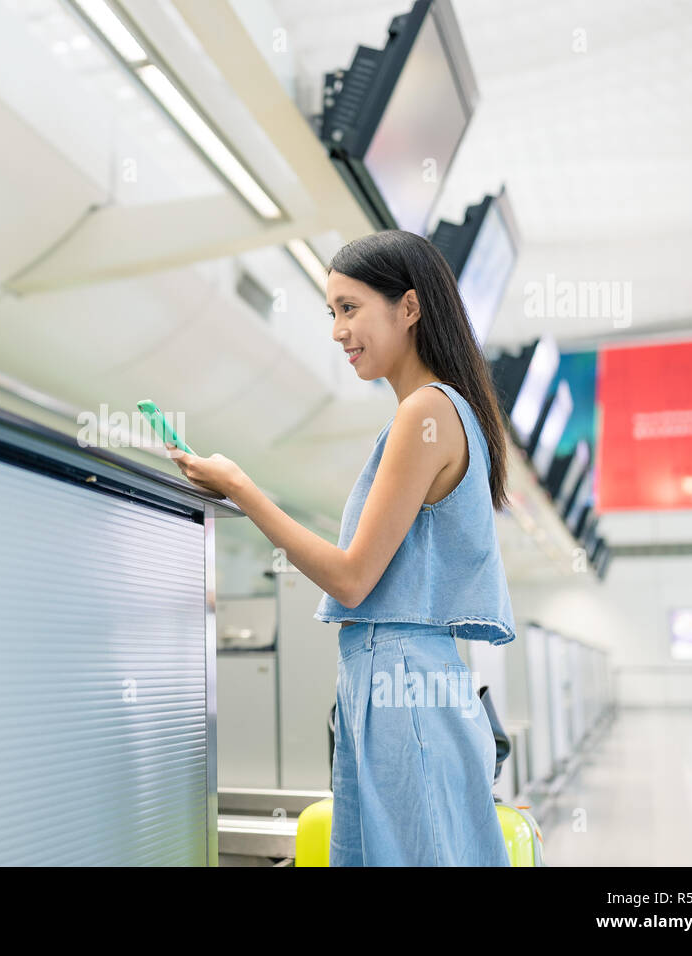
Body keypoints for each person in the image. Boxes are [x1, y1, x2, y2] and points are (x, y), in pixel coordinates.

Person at [170, 229, 514, 866]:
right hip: (406, 679)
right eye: (332, 312)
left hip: (397, 677)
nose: (337, 331)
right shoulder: (449, 412)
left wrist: (241, 488)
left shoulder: (425, 414)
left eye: (350, 309)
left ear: (408, 308)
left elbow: (352, 579)